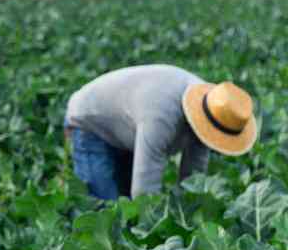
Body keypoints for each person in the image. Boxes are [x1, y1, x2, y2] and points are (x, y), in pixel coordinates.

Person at [64, 64, 257, 200]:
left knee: (124, 205)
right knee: (104, 207)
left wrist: (189, 213)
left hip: (125, 123)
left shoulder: (216, 107)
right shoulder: (161, 118)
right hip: (89, 120)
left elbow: (193, 176)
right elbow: (144, 190)